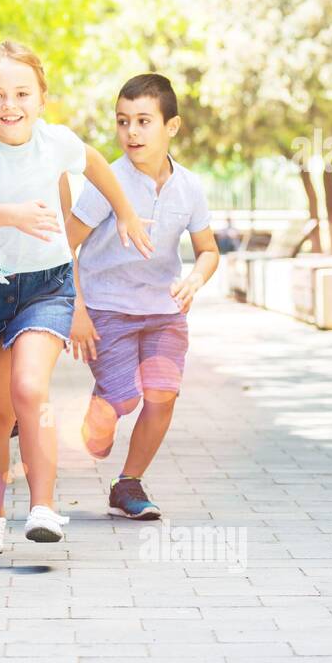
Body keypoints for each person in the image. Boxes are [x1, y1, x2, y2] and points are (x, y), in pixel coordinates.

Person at [0, 40, 153, 554]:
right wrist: (10, 213)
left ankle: (43, 508)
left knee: (30, 390)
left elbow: (96, 162)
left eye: (20, 93)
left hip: (47, 285)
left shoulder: (55, 141)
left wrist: (123, 210)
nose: (9, 105)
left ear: (41, 98)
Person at [67, 74, 219, 519]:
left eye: (143, 121)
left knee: (162, 395)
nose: (131, 132)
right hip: (106, 306)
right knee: (125, 399)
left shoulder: (189, 186)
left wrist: (195, 279)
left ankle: (128, 484)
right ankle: (103, 411)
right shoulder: (106, 182)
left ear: (171, 126)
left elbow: (209, 250)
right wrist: (76, 308)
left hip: (164, 311)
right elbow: (65, 245)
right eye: (123, 121)